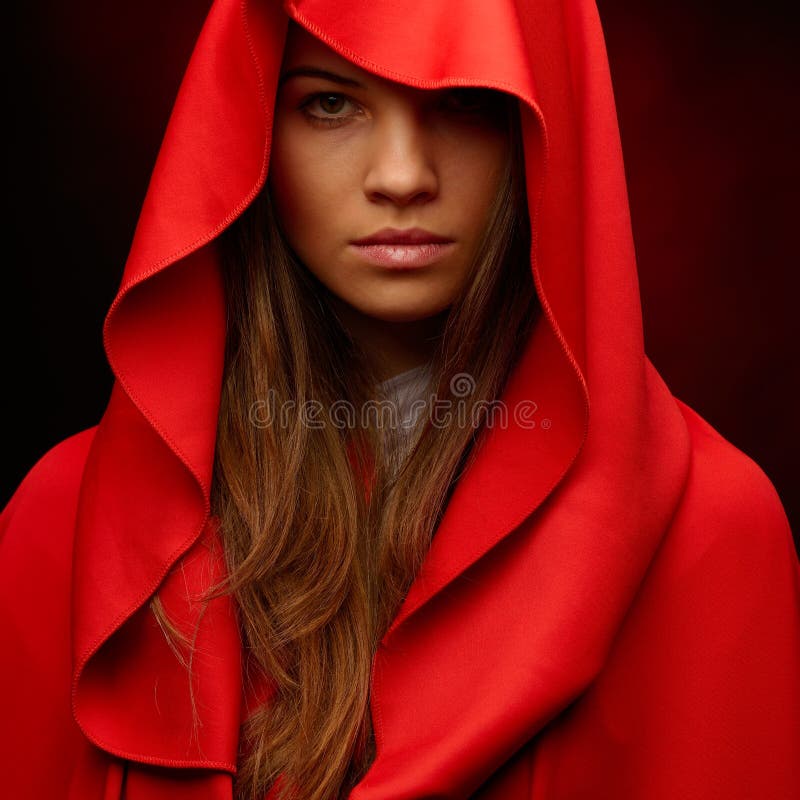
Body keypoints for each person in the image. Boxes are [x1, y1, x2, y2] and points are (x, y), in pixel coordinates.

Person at [1, 1, 798, 799]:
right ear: (246, 129)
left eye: (465, 102)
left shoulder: (711, 533)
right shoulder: (65, 527)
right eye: (330, 103)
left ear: (549, 121)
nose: (402, 177)